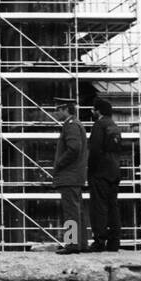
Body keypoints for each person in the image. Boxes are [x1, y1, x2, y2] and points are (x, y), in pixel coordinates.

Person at [87, 97, 124, 252]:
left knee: (99, 207)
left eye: (94, 109)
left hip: (100, 172)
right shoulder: (114, 126)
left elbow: (94, 150)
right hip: (114, 171)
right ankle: (114, 241)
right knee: (113, 207)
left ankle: (99, 241)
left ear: (99, 111)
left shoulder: (99, 125)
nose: (92, 112)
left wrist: (91, 170)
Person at [51, 99, 88, 254]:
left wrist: (59, 163)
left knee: (70, 211)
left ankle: (72, 244)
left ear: (65, 109)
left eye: (58, 109)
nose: (56, 113)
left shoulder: (71, 125)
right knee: (77, 210)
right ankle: (82, 244)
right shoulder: (76, 124)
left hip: (69, 175)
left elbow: (73, 149)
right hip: (75, 175)